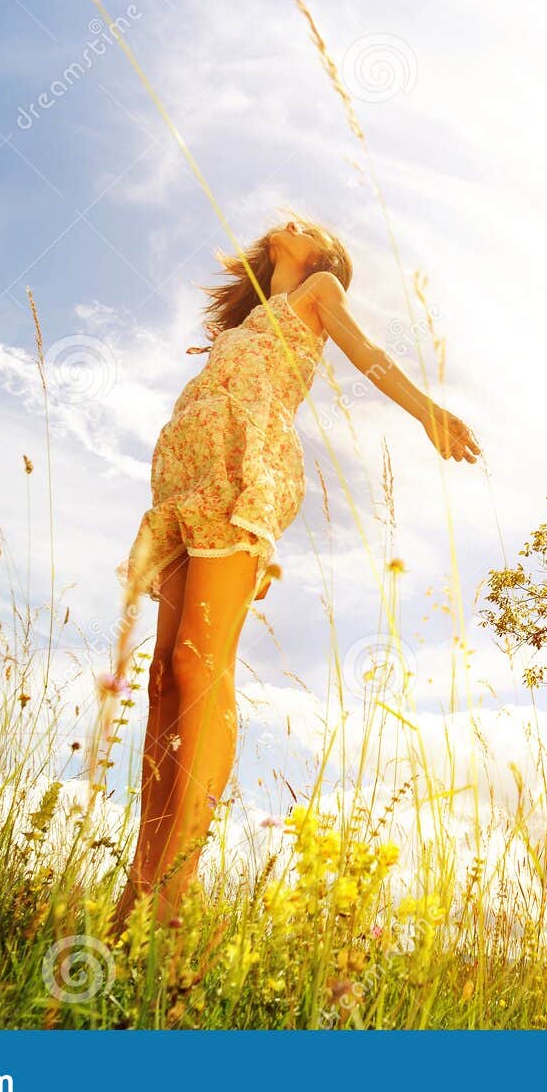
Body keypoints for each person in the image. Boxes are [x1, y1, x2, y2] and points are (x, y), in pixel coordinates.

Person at [112, 217, 480, 929]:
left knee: (198, 665)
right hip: (186, 476)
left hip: (243, 469)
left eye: (311, 225)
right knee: (161, 681)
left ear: (324, 257)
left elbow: (369, 354)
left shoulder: (319, 290)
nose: (293, 218)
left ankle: (173, 893)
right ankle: (139, 887)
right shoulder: (247, 321)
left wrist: (427, 412)